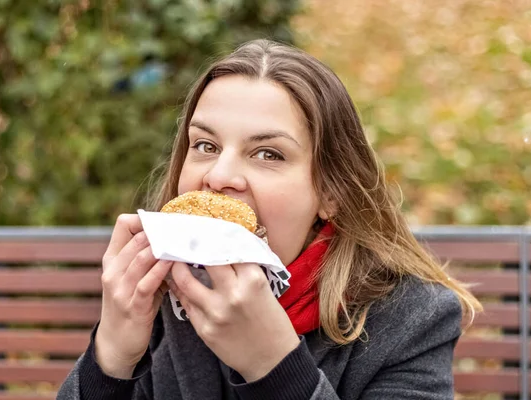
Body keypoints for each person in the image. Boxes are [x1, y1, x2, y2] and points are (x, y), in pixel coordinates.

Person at [58, 39, 482, 400]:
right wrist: (110, 357)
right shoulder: (159, 297)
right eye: (205, 145)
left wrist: (274, 367)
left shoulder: (412, 319)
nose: (219, 176)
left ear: (330, 193)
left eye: (268, 154)